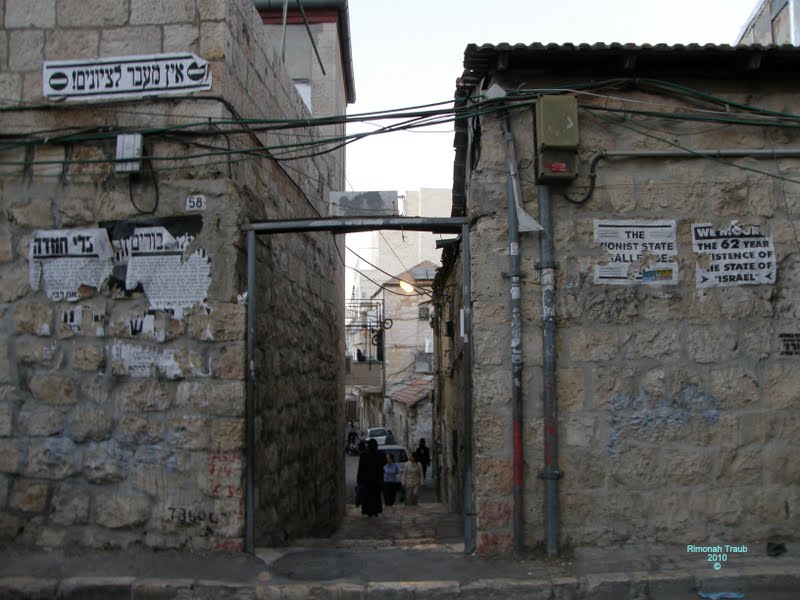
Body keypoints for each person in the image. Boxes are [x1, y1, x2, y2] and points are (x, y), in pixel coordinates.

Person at [356, 438, 383, 517]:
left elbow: (360, 469)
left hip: (367, 481)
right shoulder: (379, 455)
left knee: (367, 497)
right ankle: (376, 511)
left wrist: (359, 480)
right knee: (376, 496)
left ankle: (368, 511)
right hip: (376, 480)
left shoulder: (364, 455)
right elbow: (381, 468)